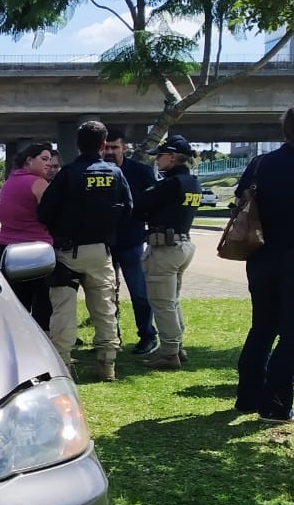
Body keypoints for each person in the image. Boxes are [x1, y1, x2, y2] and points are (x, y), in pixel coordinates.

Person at [37, 120, 132, 381]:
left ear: (77, 145)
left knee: (63, 311)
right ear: (103, 145)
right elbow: (128, 209)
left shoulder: (68, 174)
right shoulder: (115, 174)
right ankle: (107, 364)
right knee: (104, 309)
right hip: (101, 251)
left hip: (67, 253)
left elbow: (44, 212)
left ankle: (64, 364)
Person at [234, 102, 294, 423]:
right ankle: (276, 405)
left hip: (261, 256)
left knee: (262, 327)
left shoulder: (261, 163)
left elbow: (240, 201)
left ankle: (248, 396)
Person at [135, 134, 202, 370]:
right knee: (171, 301)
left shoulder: (170, 184)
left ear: (172, 157)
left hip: (165, 248)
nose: (157, 160)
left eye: (161, 156)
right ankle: (177, 346)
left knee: (162, 303)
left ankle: (169, 352)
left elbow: (140, 205)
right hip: (182, 245)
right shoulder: (193, 182)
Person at [104, 129, 159, 355]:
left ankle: (147, 335)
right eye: (106, 147)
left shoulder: (141, 172)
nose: (110, 151)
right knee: (105, 295)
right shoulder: (94, 172)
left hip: (132, 242)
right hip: (103, 243)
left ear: (124, 148)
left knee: (139, 292)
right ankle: (110, 338)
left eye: (114, 147)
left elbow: (154, 203)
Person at [0, 142, 55, 328]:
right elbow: (51, 215)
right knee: (43, 301)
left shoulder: (9, 182)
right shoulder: (39, 183)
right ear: (29, 160)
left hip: (5, 247)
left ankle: (15, 335)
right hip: (36, 250)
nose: (48, 163)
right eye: (44, 159)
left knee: (17, 302)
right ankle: (42, 337)